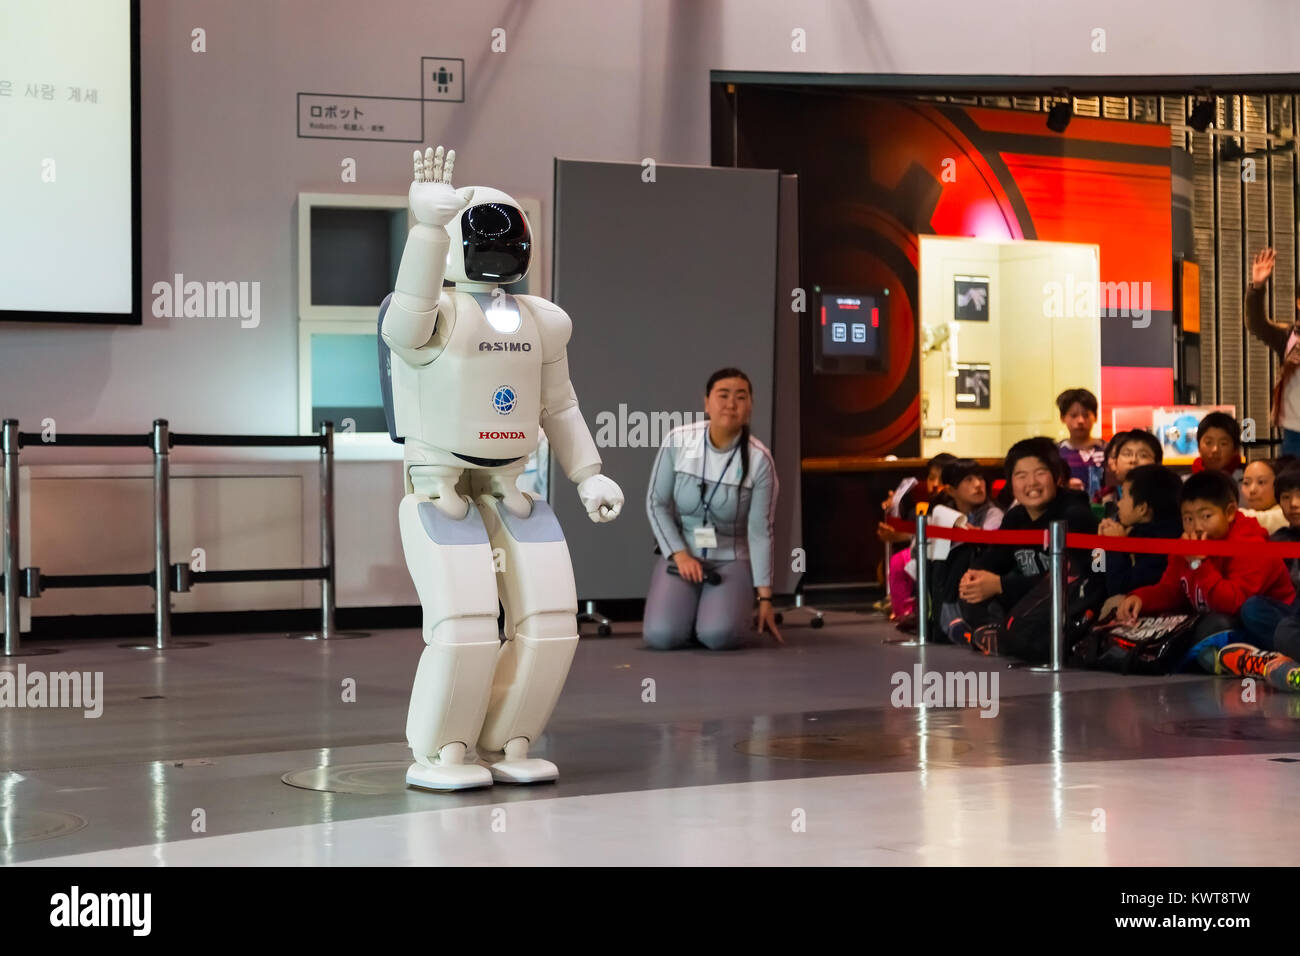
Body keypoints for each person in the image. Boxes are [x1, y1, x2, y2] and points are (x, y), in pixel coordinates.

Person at [381, 145, 625, 791]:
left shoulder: (542, 321)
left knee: (548, 625)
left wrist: (587, 472)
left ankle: (512, 738)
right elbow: (406, 323)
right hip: (441, 484)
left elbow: (559, 404)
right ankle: (445, 750)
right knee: (464, 626)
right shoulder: (434, 315)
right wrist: (428, 232)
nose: (498, 244)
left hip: (516, 482)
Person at [644, 367, 780, 650]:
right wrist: (680, 555)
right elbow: (656, 504)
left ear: (750, 407)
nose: (731, 404)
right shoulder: (677, 441)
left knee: (718, 636)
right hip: (683, 556)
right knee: (661, 636)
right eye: (723, 395)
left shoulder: (760, 460)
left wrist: (765, 597)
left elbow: (760, 532)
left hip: (731, 557)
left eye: (741, 397)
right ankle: (694, 615)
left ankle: (717, 615)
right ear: (706, 402)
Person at [1115, 470, 1294, 664]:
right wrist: (1141, 599)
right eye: (1188, 519)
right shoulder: (1186, 546)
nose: (1197, 527)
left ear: (1230, 512)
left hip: (1273, 620)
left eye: (1206, 516)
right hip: (1224, 625)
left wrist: (1198, 565)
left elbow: (1234, 604)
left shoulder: (1250, 545)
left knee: (1252, 610)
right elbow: (1171, 591)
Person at [953, 437, 1100, 660]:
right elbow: (993, 558)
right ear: (1010, 484)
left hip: (1067, 602)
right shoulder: (1015, 517)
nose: (1031, 483)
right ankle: (994, 633)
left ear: (1057, 477)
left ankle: (993, 636)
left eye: (1040, 473)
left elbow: (1073, 579)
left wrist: (1001, 585)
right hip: (1025, 600)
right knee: (973, 586)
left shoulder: (1075, 514)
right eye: (1021, 475)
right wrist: (973, 576)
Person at [921, 458, 1005, 639]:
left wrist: (969, 534)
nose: (978, 485)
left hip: (982, 574)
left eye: (980, 478)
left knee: (962, 551)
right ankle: (937, 616)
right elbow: (919, 548)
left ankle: (950, 619)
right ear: (951, 490)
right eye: (968, 480)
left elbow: (993, 543)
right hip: (948, 578)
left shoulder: (993, 512)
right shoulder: (942, 512)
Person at [876, 453, 955, 626]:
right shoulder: (926, 505)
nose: (934, 484)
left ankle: (914, 613)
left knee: (901, 561)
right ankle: (906, 612)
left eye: (941, 479)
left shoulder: (953, 504)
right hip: (927, 551)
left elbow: (940, 533)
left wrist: (897, 536)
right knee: (899, 561)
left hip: (949, 555)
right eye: (931, 478)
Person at [1097, 463, 1183, 603]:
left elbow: (1118, 589)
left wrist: (1116, 547)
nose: (1118, 504)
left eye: (1123, 497)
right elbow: (1097, 574)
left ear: (1142, 508)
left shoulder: (1161, 545)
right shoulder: (1131, 531)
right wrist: (1099, 547)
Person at [1245, 247, 1300, 457]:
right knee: (1292, 485)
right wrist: (1257, 287)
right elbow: (1257, 324)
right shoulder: (1289, 336)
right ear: (1299, 302)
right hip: (1296, 432)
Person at [1056, 388, 1106, 497]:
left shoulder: (1107, 450)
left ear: (1096, 417)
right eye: (1073, 415)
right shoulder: (1056, 453)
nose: (1080, 421)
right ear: (1063, 418)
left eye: (1086, 415)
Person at [1191, 411, 1245, 492]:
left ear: (1235, 449)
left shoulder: (1246, 481)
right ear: (1198, 446)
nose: (1215, 450)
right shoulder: (1186, 484)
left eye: (1223, 444)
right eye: (1208, 442)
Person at [1239, 458, 1287, 534]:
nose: (1252, 490)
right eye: (1246, 483)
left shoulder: (1287, 514)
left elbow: (1261, 519)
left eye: (1261, 482)